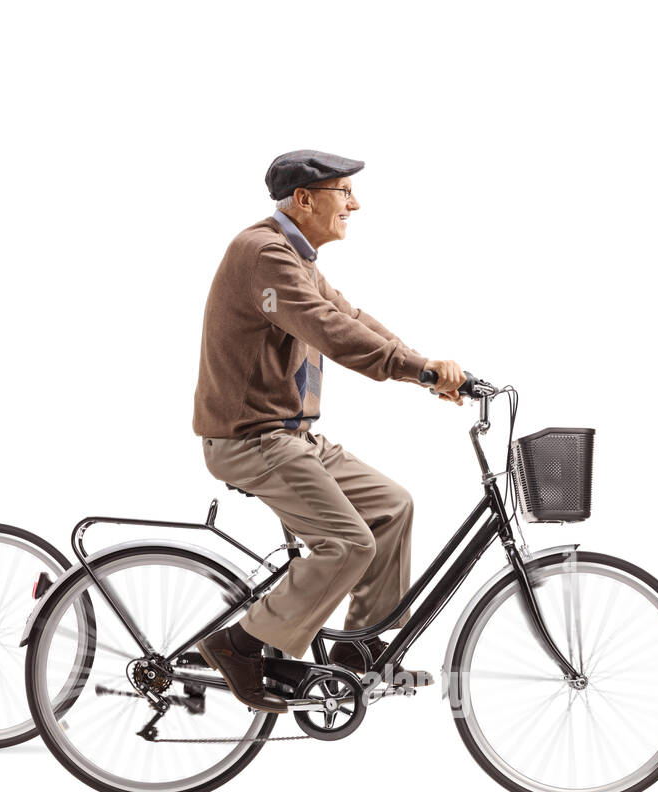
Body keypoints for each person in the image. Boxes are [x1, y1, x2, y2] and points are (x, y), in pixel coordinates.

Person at [191, 149, 467, 713]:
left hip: (291, 438)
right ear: (305, 199)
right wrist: (416, 370)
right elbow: (330, 332)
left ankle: (355, 656)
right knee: (346, 543)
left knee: (392, 506)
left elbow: (351, 317)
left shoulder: (296, 258)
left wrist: (426, 370)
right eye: (345, 192)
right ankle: (238, 645)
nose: (355, 203)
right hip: (251, 440)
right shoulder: (262, 252)